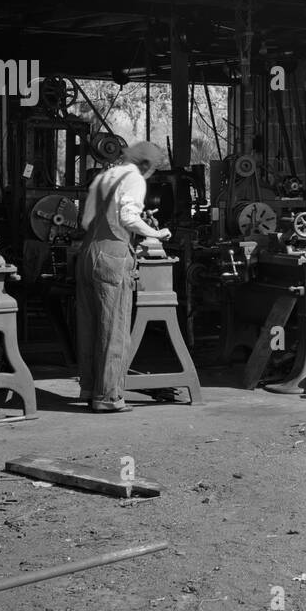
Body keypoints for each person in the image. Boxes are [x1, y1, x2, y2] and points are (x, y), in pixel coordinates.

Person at [76, 141, 171, 412]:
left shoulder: (107, 176)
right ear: (145, 165)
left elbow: (88, 219)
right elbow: (128, 217)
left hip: (87, 254)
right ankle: (108, 397)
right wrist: (156, 233)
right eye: (153, 169)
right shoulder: (134, 178)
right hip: (112, 257)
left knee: (89, 328)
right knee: (113, 328)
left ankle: (90, 389)